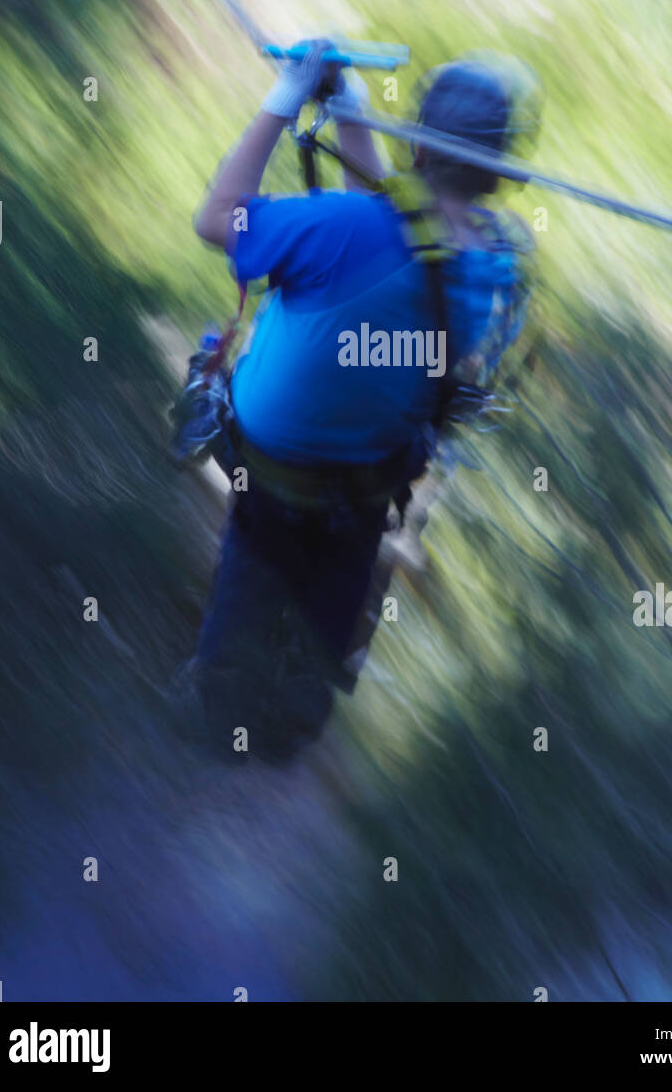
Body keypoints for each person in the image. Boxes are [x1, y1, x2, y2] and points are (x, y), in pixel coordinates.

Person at [178, 41, 534, 761]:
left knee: (247, 592)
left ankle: (215, 720)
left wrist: (285, 98)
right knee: (329, 611)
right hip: (368, 482)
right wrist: (350, 112)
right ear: (498, 170)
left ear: (422, 146)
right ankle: (294, 724)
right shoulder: (496, 266)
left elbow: (217, 217)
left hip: (273, 473)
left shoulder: (344, 230)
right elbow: (405, 239)